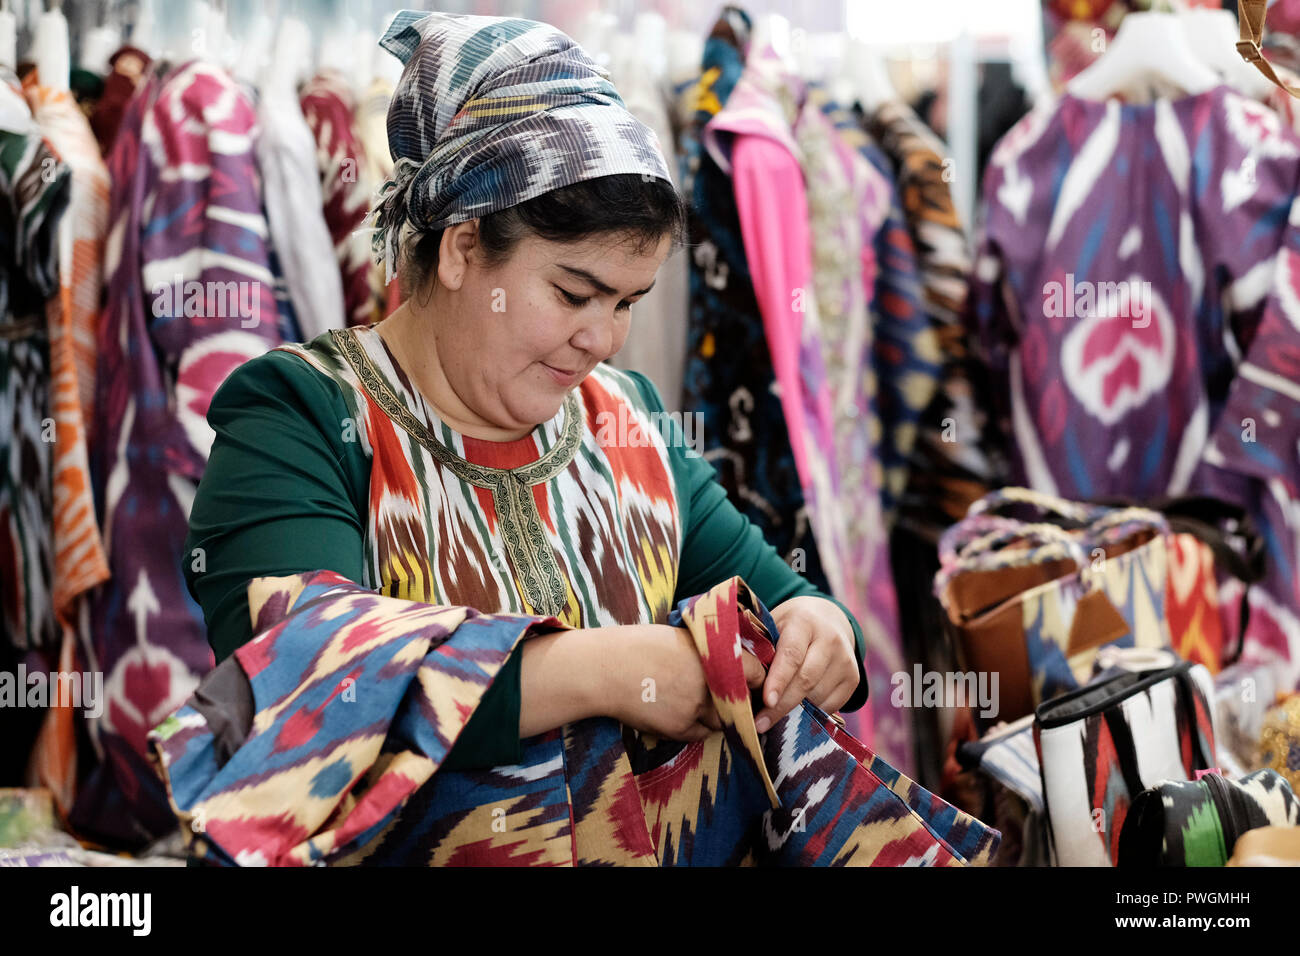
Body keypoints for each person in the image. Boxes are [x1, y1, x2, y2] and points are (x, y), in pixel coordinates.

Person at [183, 9, 868, 774]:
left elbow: (786, 599)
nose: (604, 339)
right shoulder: (298, 419)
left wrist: (821, 627)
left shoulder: (628, 421)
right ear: (462, 247)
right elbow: (304, 687)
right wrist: (605, 672)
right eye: (575, 294)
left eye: (627, 303)